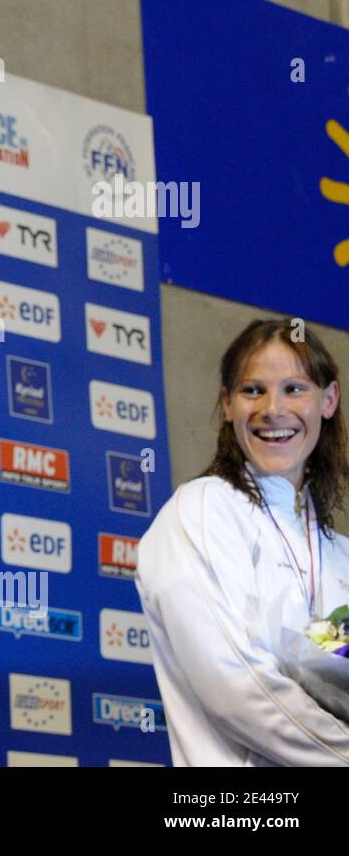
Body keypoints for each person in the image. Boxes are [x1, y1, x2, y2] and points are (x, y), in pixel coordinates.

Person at [136, 318, 349, 766]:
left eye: (295, 389)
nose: (273, 409)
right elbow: (232, 685)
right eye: (253, 390)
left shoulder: (340, 553)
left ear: (328, 400)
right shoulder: (200, 511)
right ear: (227, 404)